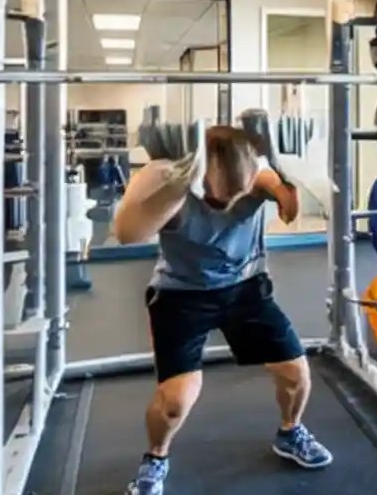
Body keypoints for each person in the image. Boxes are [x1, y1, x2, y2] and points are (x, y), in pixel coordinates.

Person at [115, 126, 330, 495]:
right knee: (175, 400)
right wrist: (176, 190)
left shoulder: (259, 174)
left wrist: (284, 187)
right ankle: (156, 457)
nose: (228, 204)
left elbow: (290, 210)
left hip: (245, 288)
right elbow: (126, 233)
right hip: (181, 295)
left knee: (296, 373)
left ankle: (290, 432)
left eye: (236, 195)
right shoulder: (162, 176)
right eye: (217, 198)